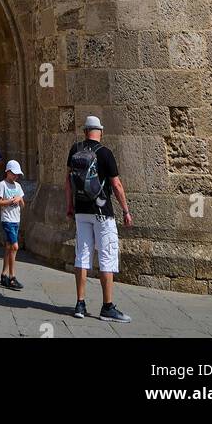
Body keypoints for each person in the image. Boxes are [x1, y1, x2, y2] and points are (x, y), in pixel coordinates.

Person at [66, 114, 133, 322]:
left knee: (82, 256)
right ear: (100, 132)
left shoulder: (75, 150)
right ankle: (107, 306)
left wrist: (70, 205)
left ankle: (80, 303)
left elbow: (67, 181)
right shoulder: (105, 153)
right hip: (103, 213)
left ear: (85, 131)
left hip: (81, 211)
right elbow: (116, 185)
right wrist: (126, 210)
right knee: (107, 256)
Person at [0, 160, 25, 290]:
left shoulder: (18, 186)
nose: (15, 176)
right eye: (14, 174)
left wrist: (19, 200)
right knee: (15, 246)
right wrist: (11, 201)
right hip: (7, 219)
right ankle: (12, 277)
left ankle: (4, 274)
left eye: (17, 174)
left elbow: (23, 204)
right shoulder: (3, 184)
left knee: (9, 247)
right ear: (8, 172)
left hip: (16, 219)